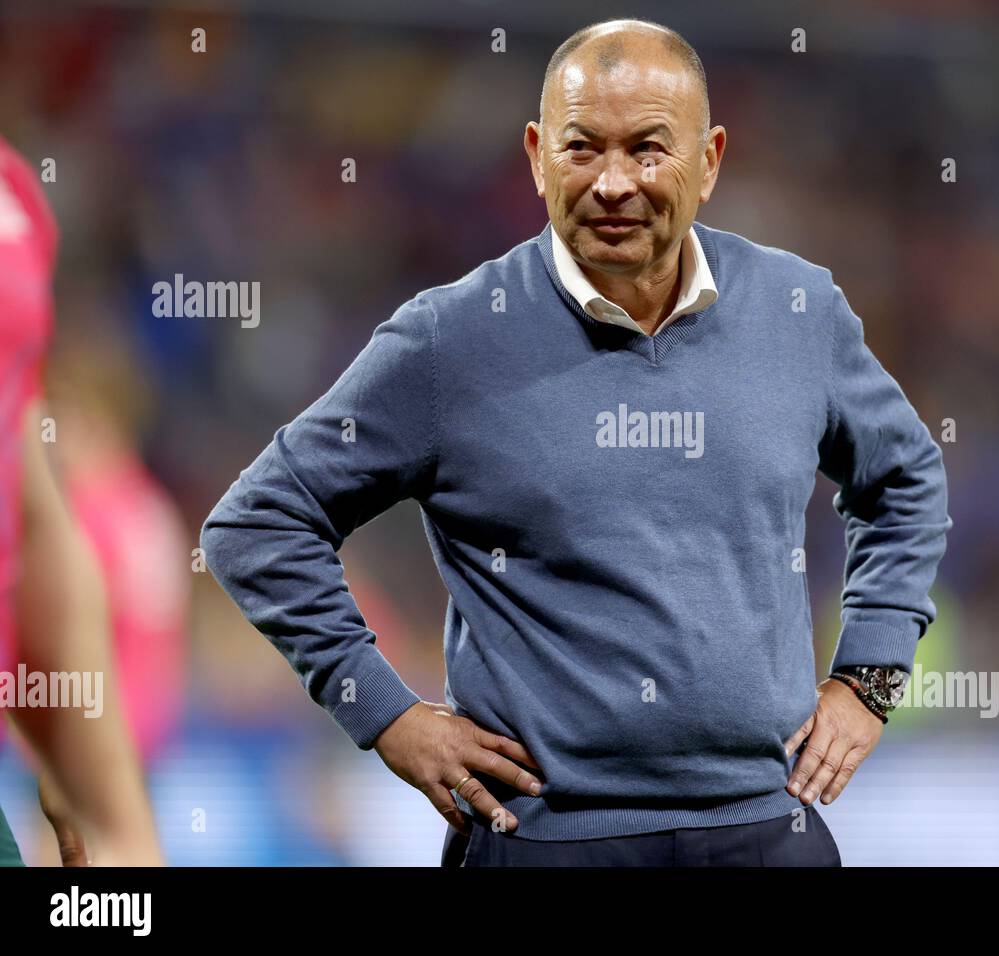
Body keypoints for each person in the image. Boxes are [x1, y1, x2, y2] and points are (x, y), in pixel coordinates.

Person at [201, 17, 950, 867]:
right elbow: (258, 523)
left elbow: (906, 479)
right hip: (546, 838)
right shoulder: (449, 341)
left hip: (764, 826)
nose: (613, 183)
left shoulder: (797, 310)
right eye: (582, 147)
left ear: (710, 160)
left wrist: (871, 680)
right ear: (535, 156)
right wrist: (384, 713)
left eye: (649, 149)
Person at [0, 136, 163, 867]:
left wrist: (108, 818)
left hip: (79, 761)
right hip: (131, 742)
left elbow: (40, 553)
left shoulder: (14, 201)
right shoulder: (147, 510)